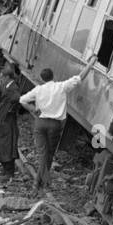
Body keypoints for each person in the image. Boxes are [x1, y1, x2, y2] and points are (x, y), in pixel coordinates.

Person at [20, 58, 93, 190]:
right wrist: (91, 63)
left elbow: (22, 100)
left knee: (43, 153)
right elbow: (80, 77)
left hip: (40, 123)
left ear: (42, 79)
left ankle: (38, 182)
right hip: (55, 125)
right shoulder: (61, 86)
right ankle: (42, 182)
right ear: (53, 77)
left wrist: (33, 109)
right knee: (49, 154)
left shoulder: (38, 89)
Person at [0, 60, 23, 180]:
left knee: (7, 143)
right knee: (2, 142)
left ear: (7, 77)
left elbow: (17, 99)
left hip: (8, 120)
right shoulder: (6, 85)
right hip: (3, 118)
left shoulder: (13, 87)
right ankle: (5, 168)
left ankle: (9, 171)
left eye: (2, 77)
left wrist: (12, 109)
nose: (1, 79)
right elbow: (1, 98)